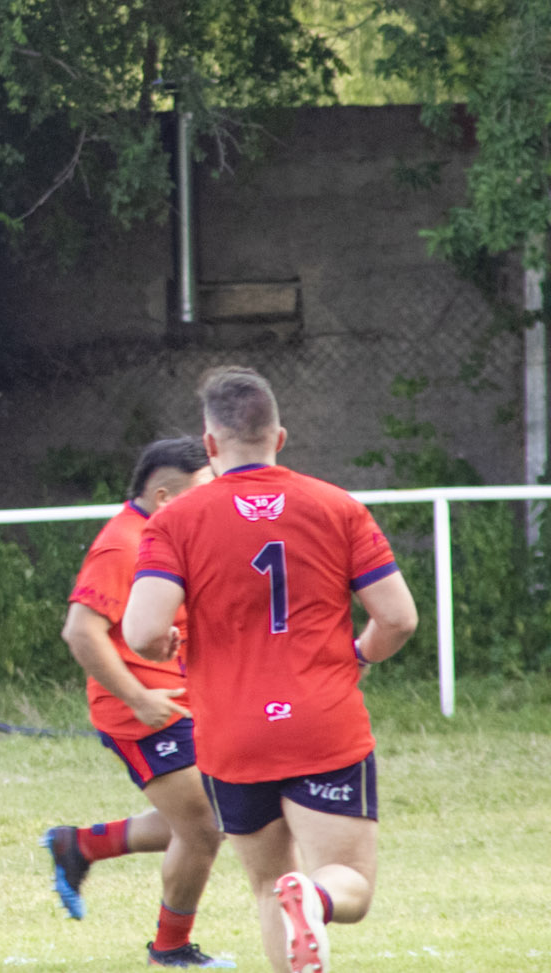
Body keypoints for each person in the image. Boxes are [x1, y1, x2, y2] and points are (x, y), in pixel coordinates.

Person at [124, 367, 418, 973]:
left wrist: (167, 646)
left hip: (232, 730)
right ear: (280, 436)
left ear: (209, 446)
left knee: (268, 889)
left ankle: (298, 902)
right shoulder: (337, 507)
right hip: (322, 719)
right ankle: (316, 899)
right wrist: (356, 656)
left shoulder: (174, 521)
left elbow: (142, 632)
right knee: (347, 886)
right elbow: (399, 619)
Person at [43, 436, 233, 969]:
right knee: (203, 830)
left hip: (178, 703)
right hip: (143, 715)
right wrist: (139, 697)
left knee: (203, 816)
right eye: (204, 490)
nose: (213, 500)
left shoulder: (167, 535)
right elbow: (81, 632)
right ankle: (170, 950)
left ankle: (80, 845)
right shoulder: (123, 544)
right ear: (167, 495)